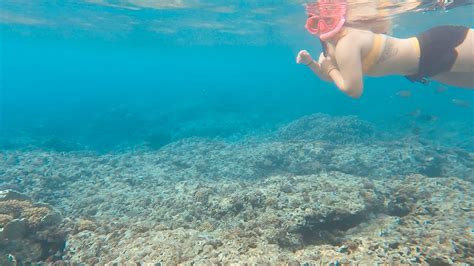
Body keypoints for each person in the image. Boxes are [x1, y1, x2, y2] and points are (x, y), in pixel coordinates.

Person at [296, 0, 474, 98]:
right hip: (425, 70)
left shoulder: (347, 41)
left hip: (437, 45)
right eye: (315, 23)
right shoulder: (330, 49)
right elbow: (333, 78)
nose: (322, 27)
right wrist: (311, 63)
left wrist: (330, 68)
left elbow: (353, 90)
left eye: (328, 20)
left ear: (340, 18)